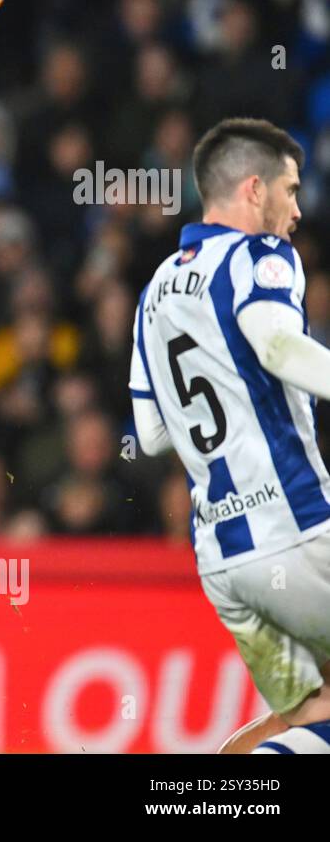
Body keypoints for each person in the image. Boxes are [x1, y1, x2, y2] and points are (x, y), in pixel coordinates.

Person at [130, 117, 330, 753]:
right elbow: (276, 345)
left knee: (310, 716)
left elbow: (152, 431)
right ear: (253, 189)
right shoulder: (259, 255)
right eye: (290, 190)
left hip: (222, 561)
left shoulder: (155, 291)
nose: (296, 209)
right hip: (296, 531)